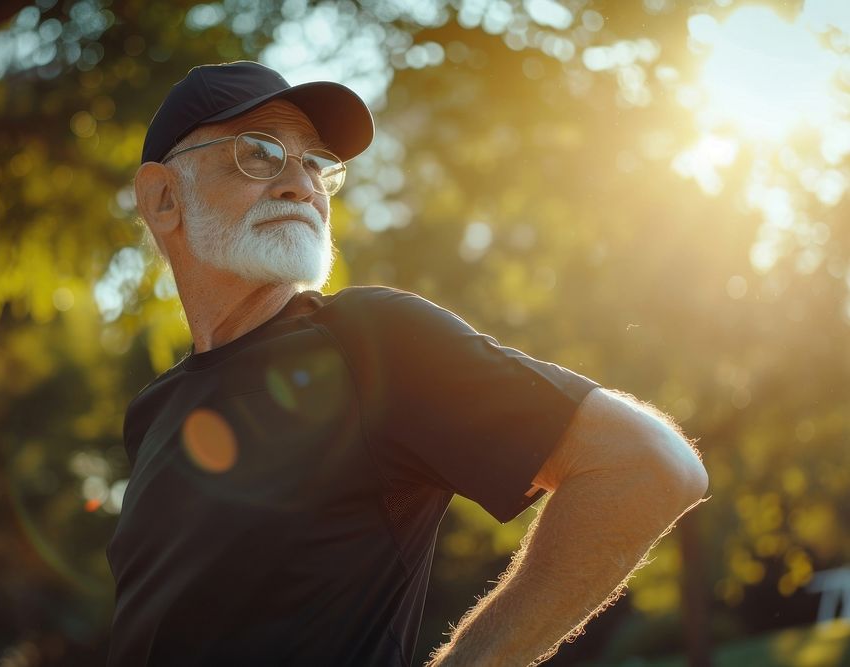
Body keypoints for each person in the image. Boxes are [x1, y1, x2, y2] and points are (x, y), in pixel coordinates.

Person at [106, 60, 709, 666]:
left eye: (315, 162)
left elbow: (647, 465)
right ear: (162, 198)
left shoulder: (373, 341)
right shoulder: (151, 414)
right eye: (259, 153)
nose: (302, 183)